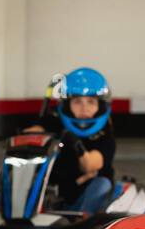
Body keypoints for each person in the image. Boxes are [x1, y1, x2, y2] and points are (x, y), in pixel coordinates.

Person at [23, 67, 117, 214]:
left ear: (100, 106)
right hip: (53, 194)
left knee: (102, 184)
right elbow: (28, 135)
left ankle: (83, 227)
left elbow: (90, 165)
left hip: (82, 200)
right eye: (77, 101)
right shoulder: (55, 121)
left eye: (91, 102)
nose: (84, 108)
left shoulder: (104, 134)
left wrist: (71, 140)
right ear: (67, 105)